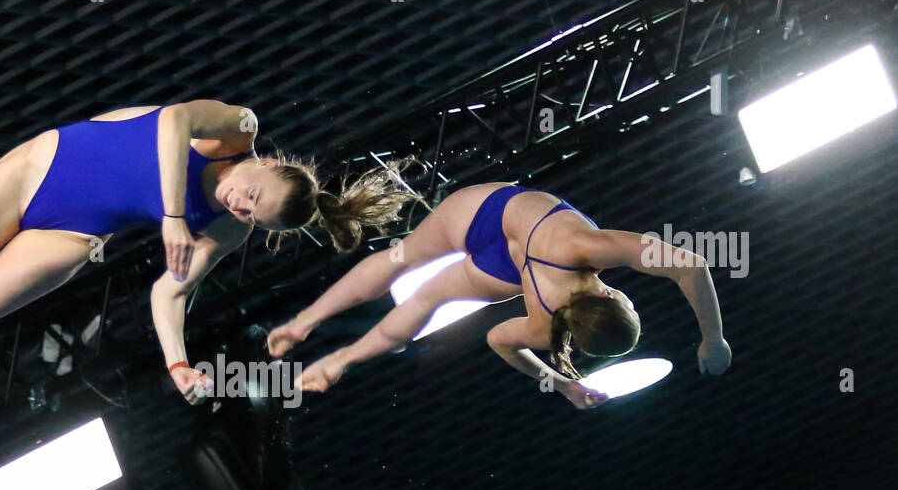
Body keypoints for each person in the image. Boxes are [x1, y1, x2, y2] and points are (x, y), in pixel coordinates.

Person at [0, 100, 416, 490]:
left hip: (72, 234)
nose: (240, 206)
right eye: (251, 195)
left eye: (252, 215)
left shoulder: (227, 230)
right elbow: (172, 121)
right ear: (269, 163)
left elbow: (171, 290)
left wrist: (177, 361)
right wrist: (174, 215)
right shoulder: (239, 130)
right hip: (39, 168)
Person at [267, 182, 731, 406]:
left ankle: (307, 320)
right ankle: (341, 360)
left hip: (492, 219)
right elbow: (498, 342)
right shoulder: (547, 328)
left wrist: (712, 339)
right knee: (426, 302)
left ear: (613, 300)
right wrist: (564, 383)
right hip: (502, 274)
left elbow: (690, 266)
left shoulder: (588, 248)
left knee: (401, 260)